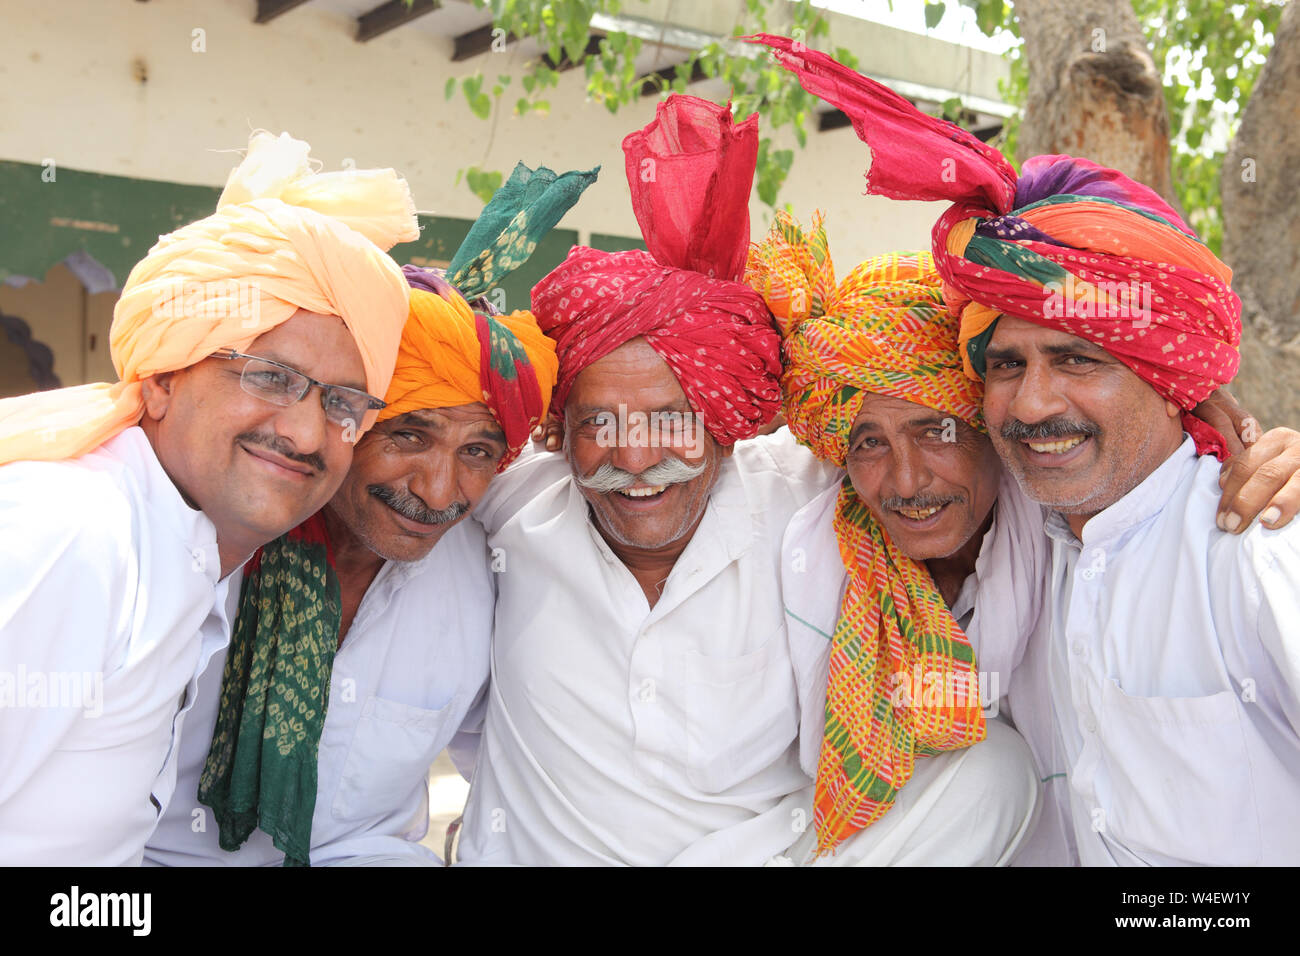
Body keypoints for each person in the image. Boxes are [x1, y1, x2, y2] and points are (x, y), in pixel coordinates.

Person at [756, 34, 1300, 865]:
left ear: (1166, 375)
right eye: (1006, 365)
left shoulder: (1257, 548)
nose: (1034, 402)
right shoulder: (1044, 537)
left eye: (1079, 359)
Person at [457, 94, 1041, 866]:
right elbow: (389, 420)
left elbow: (981, 427)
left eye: (670, 419)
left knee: (994, 774)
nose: (634, 459)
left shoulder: (816, 502)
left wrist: (1195, 415)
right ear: (558, 433)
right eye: (600, 423)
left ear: (728, 427)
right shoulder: (504, 506)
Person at [144, 163, 594, 866]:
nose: (439, 489)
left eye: (479, 449)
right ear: (344, 421)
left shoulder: (484, 574)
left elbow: (519, 780)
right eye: (408, 435)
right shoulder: (209, 542)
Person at [0, 131, 417, 865]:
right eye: (269, 375)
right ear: (161, 377)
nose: (307, 432)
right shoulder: (73, 534)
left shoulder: (198, 555)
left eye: (344, 402)